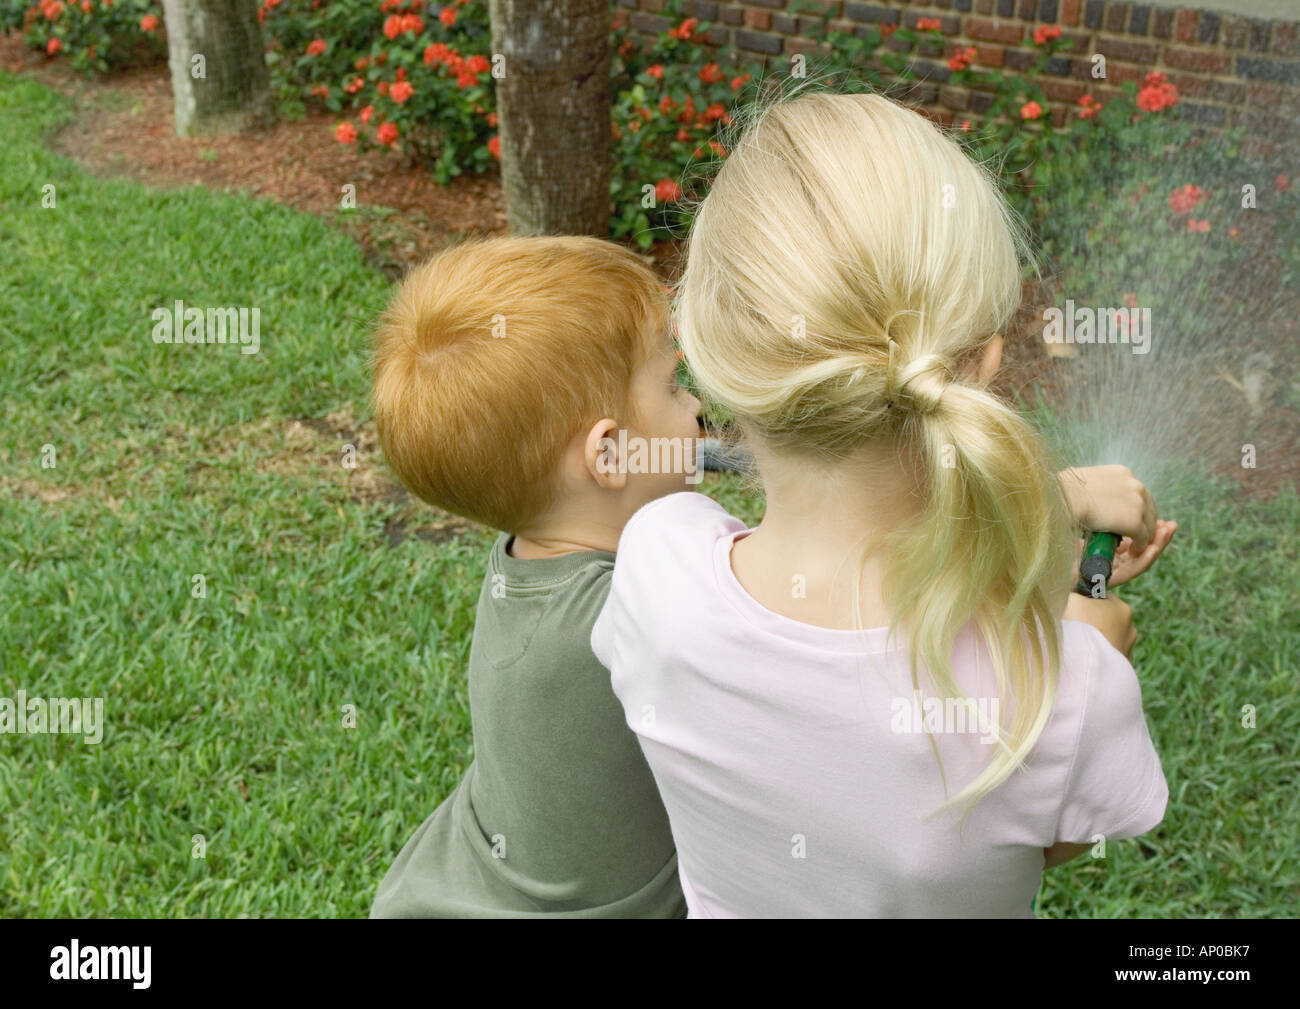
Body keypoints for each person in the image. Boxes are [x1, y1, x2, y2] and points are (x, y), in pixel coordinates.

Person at [592, 90, 1178, 918]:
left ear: (716, 352)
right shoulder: (1066, 690)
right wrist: (1089, 633)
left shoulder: (654, 562)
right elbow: (1068, 837)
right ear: (981, 362)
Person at [369, 235, 701, 916]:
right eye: (672, 387)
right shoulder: (633, 615)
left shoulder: (526, 558)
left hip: (461, 886)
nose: (696, 408)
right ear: (608, 453)